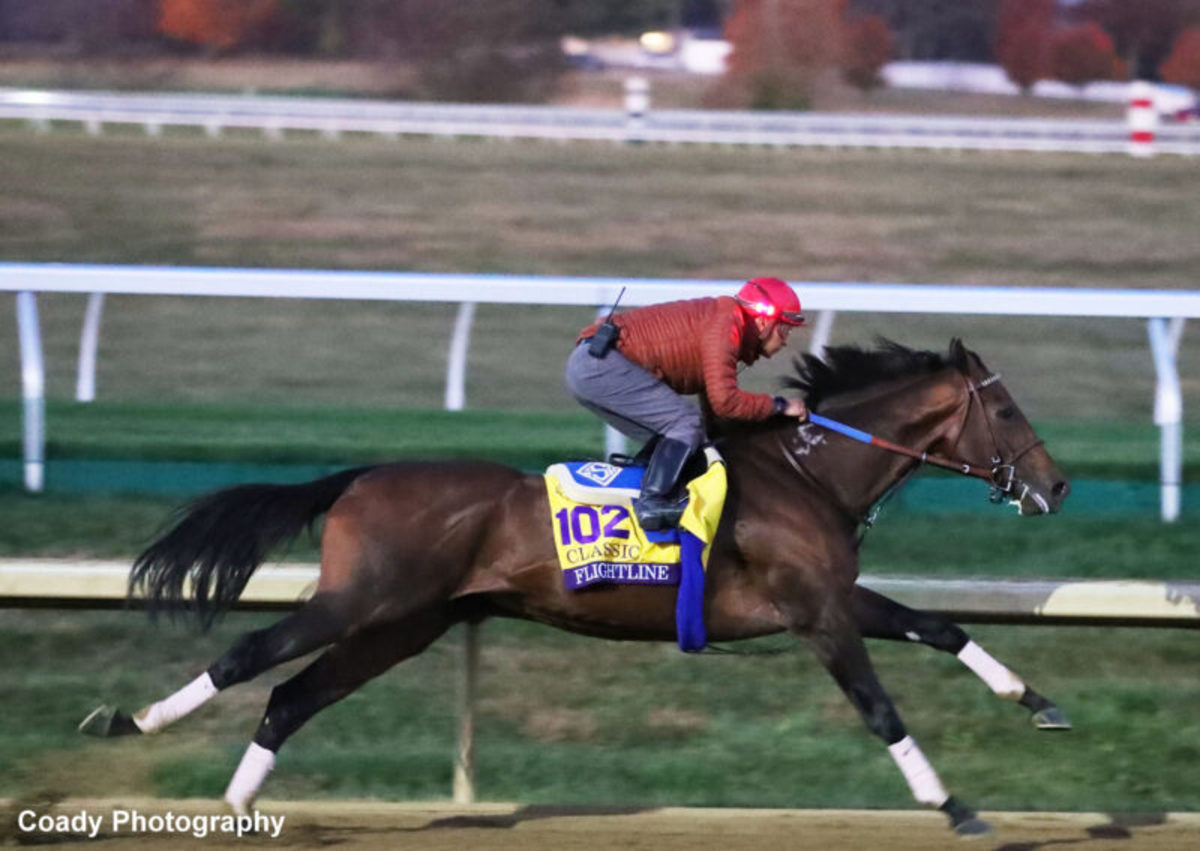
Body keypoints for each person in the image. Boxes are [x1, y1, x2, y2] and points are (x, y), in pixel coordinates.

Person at [565, 277, 809, 531]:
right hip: (600, 366)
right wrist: (779, 406)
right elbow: (725, 402)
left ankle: (640, 489)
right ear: (763, 321)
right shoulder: (726, 325)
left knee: (684, 440)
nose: (785, 340)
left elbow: (714, 409)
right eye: (785, 330)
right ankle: (651, 504)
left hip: (593, 363)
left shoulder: (724, 321)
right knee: (685, 424)